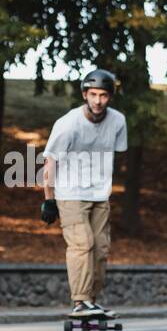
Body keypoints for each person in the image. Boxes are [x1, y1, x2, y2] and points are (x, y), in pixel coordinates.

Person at [39, 69, 128, 317]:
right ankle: (80, 301)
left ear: (110, 97)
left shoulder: (118, 121)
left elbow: (113, 154)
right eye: (93, 95)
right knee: (83, 243)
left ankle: (91, 301)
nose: (98, 101)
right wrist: (49, 199)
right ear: (84, 94)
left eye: (103, 95)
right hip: (70, 193)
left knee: (101, 249)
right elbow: (50, 162)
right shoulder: (68, 124)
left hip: (100, 195)